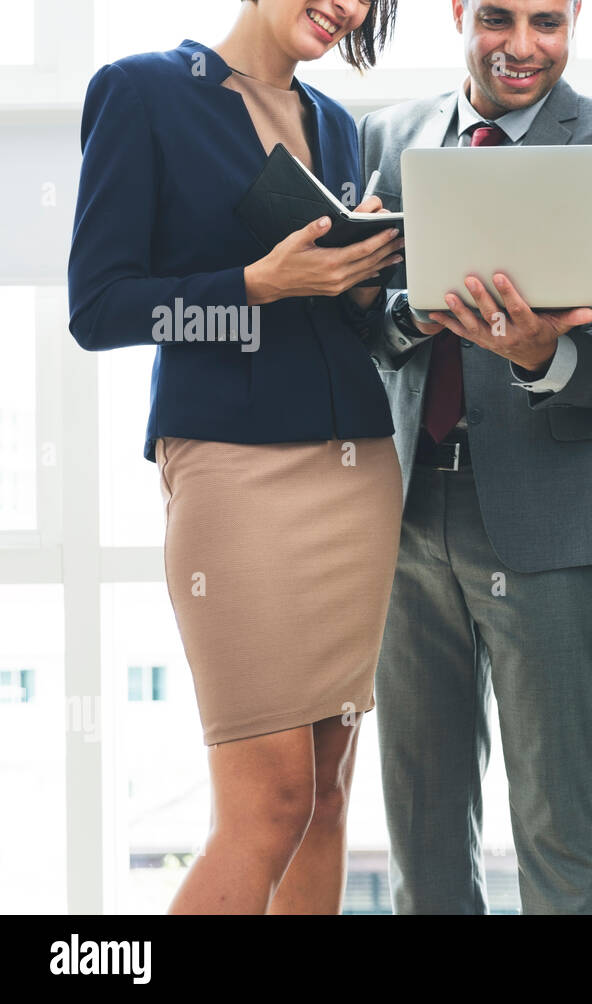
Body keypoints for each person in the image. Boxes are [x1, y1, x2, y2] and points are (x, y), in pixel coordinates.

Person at [67, 0, 405, 914]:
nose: (348, 8)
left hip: (357, 466)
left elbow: (345, 319)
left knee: (327, 802)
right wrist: (254, 286)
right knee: (269, 806)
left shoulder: (335, 124)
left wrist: (372, 283)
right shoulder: (142, 92)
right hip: (235, 470)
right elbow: (98, 309)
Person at [357, 0, 592, 915]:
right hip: (408, 517)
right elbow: (357, 327)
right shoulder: (388, 137)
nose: (522, 47)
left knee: (559, 821)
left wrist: (544, 354)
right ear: (458, 12)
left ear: (576, 19)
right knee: (421, 824)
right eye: (497, 18)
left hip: (549, 526)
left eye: (547, 22)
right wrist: (413, 313)